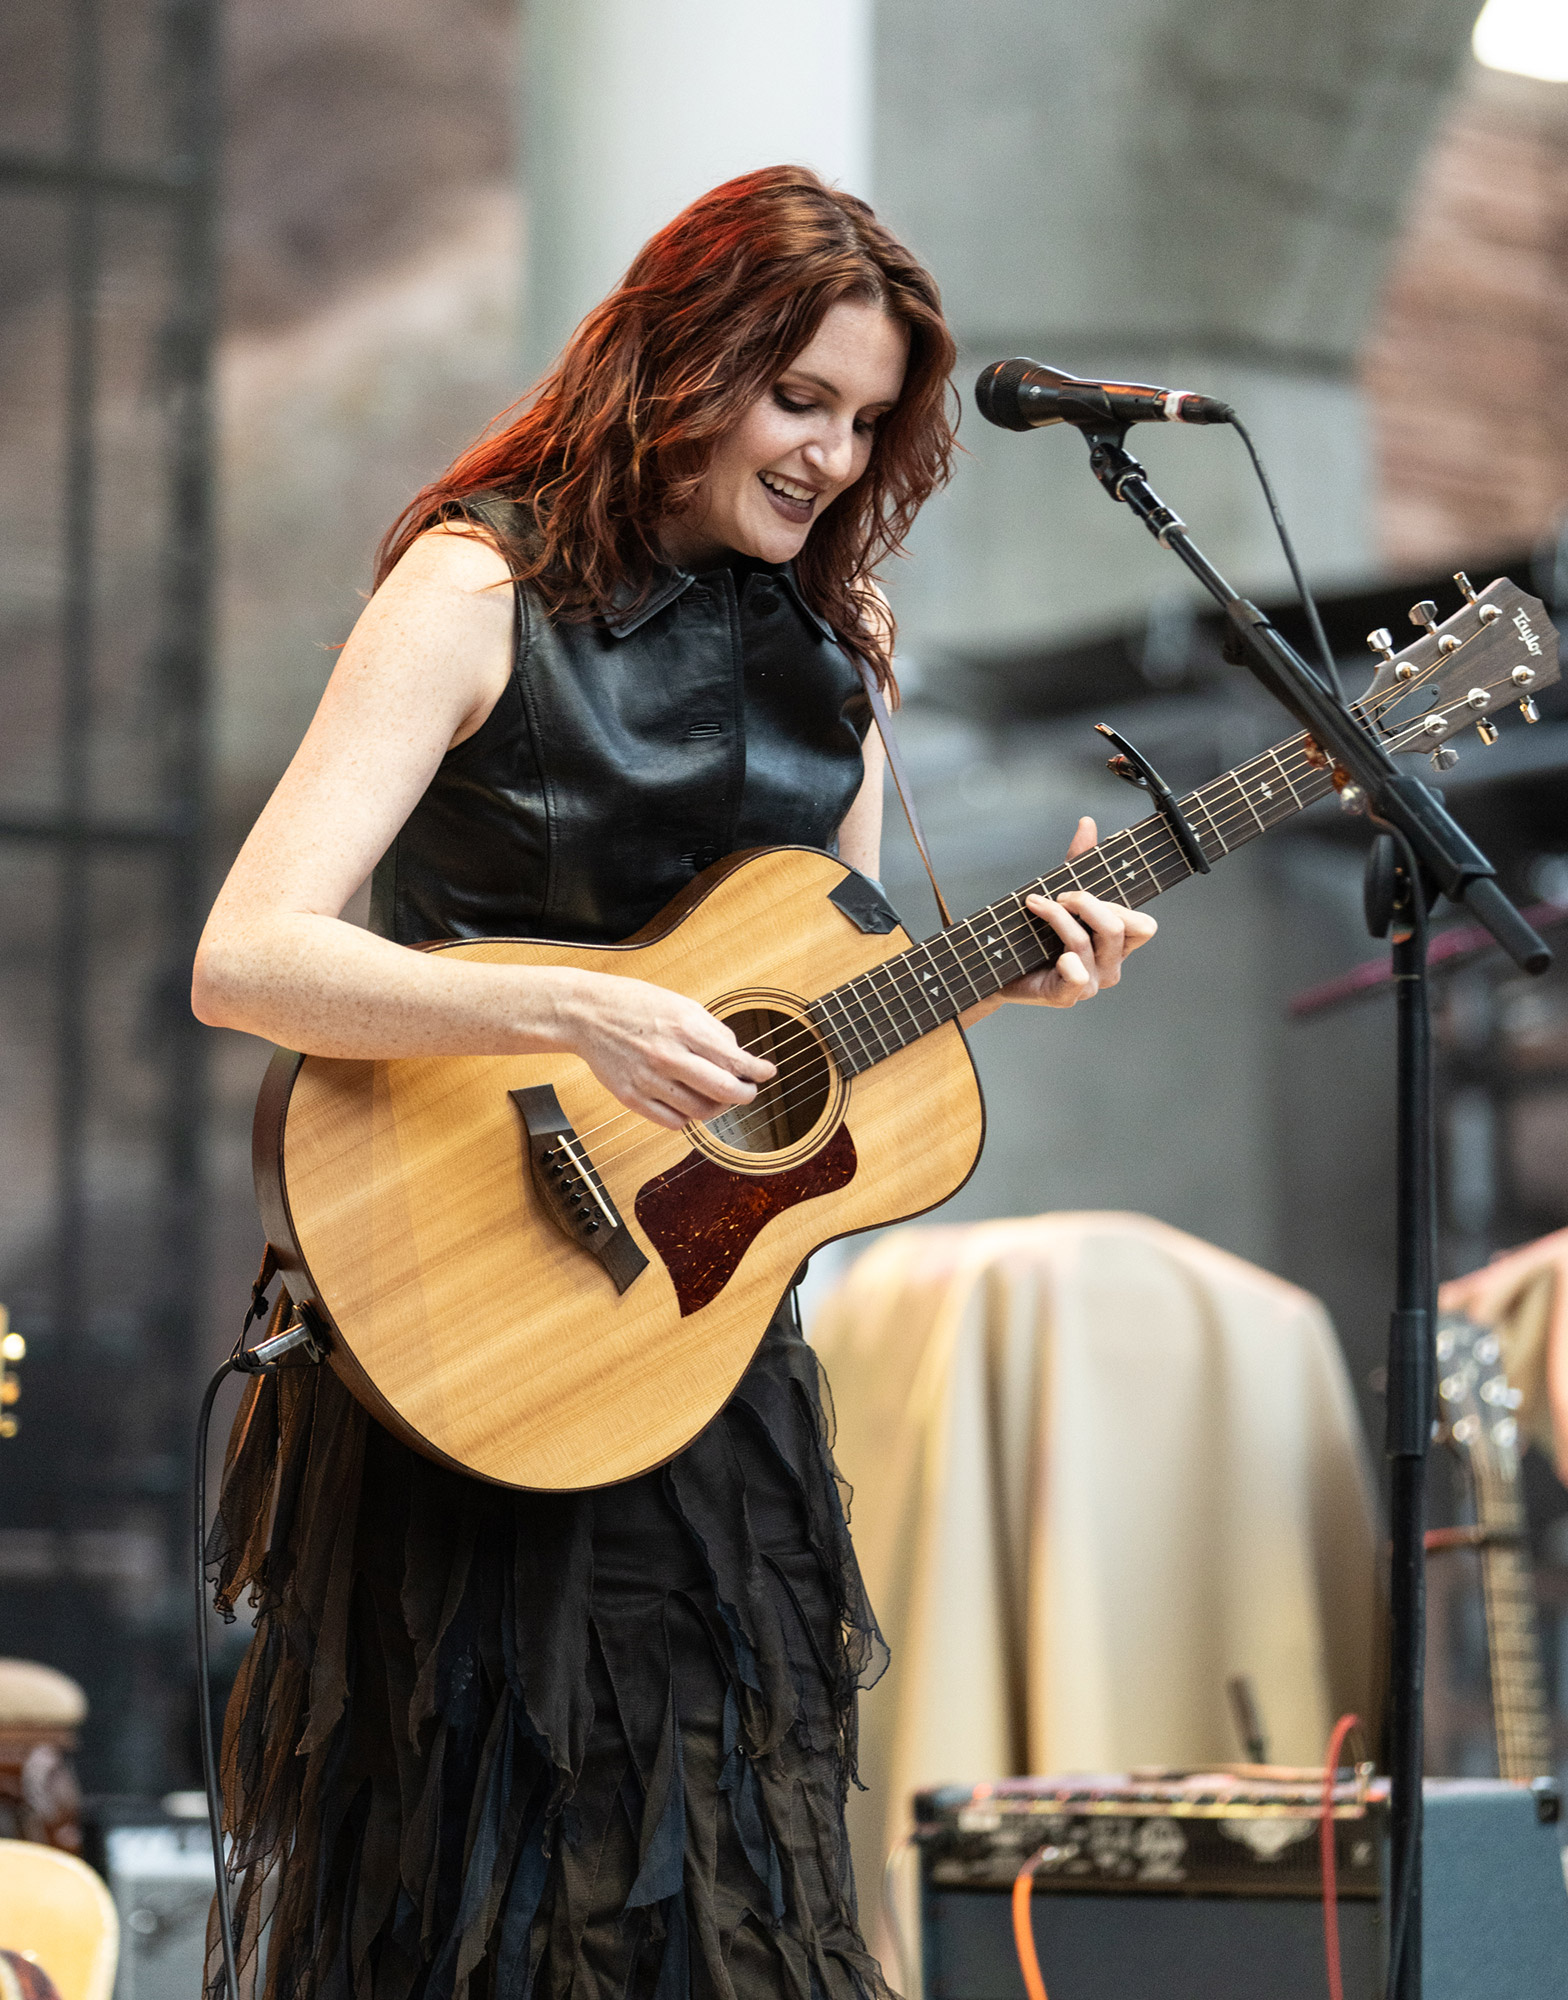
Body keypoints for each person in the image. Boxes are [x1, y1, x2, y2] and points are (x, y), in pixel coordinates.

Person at [193, 165, 1156, 2000]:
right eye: (799, 398)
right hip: (466, 1326)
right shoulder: (478, 584)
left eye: (865, 421)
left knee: (719, 1900)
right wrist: (572, 1012)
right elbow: (246, 955)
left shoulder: (841, 664)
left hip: (708, 1368)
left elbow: (827, 1015)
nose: (829, 453)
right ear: (679, 363)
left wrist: (1018, 977)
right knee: (490, 1913)